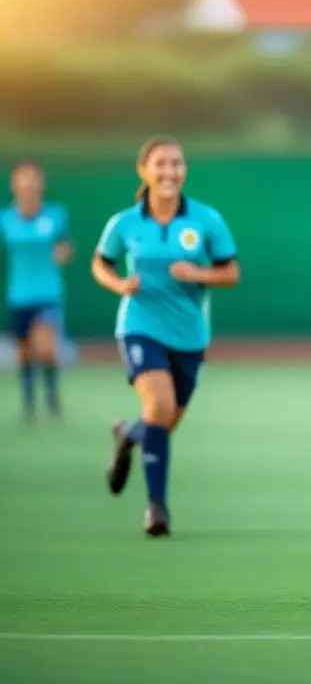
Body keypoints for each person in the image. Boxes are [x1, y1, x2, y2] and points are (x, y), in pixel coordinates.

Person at [91, 137, 240, 537]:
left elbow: (231, 272)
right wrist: (119, 285)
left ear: (184, 170)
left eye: (176, 163)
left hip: (189, 336)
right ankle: (157, 508)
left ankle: (128, 435)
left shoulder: (205, 220)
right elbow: (100, 263)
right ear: (144, 170)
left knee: (164, 421)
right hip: (139, 326)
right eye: (160, 164)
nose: (169, 171)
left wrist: (199, 274)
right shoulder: (125, 223)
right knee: (158, 406)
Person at [1, 161, 72, 422]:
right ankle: (29, 404)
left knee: (45, 348)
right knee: (23, 353)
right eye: (23, 180)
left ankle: (52, 398)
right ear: (14, 185)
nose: (28, 185)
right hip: (18, 295)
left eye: (33, 179)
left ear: (40, 184)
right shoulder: (6, 219)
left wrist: (62, 253)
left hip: (47, 294)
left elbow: (65, 245)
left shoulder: (55, 215)